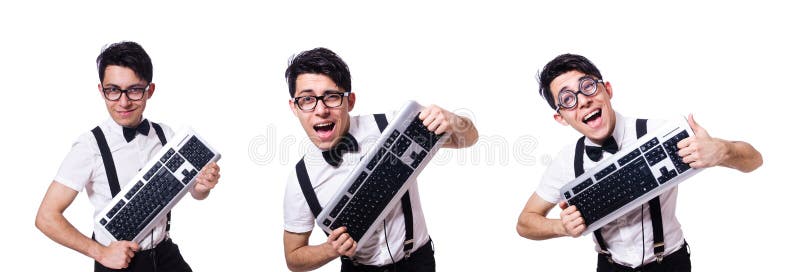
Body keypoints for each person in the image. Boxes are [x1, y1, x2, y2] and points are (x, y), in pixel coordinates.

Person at [516, 53, 762, 271]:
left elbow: (754, 160)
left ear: (607, 90)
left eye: (588, 86)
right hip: (610, 267)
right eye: (568, 99)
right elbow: (525, 222)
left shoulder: (659, 132)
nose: (582, 101)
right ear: (561, 118)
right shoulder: (565, 162)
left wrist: (723, 151)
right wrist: (561, 227)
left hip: (670, 264)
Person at [282, 47, 478, 271]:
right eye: (307, 99)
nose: (321, 110)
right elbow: (293, 258)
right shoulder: (300, 180)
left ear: (350, 101)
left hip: (417, 263)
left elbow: (468, 139)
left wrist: (453, 121)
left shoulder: (394, 126)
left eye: (332, 97)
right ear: (294, 108)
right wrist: (330, 250)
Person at [35, 41, 221, 271]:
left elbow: (195, 192)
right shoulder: (89, 147)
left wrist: (203, 186)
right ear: (101, 90)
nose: (123, 102)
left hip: (165, 255)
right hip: (118, 263)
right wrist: (100, 253)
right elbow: (46, 217)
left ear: (149, 91)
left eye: (134, 90)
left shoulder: (166, 135)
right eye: (113, 90)